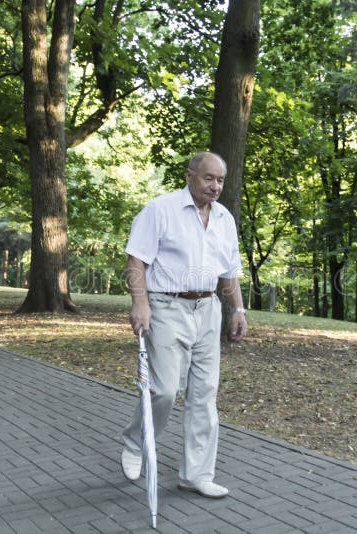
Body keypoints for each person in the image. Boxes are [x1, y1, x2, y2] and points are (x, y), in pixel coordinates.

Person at [121, 151, 247, 499]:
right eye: (209, 178)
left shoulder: (224, 218)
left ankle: (196, 474)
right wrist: (140, 303)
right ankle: (135, 441)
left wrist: (238, 309)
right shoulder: (160, 210)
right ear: (190, 175)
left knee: (204, 394)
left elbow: (229, 271)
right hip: (166, 306)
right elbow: (136, 260)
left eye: (220, 180)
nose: (215, 186)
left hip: (208, 309)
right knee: (163, 390)